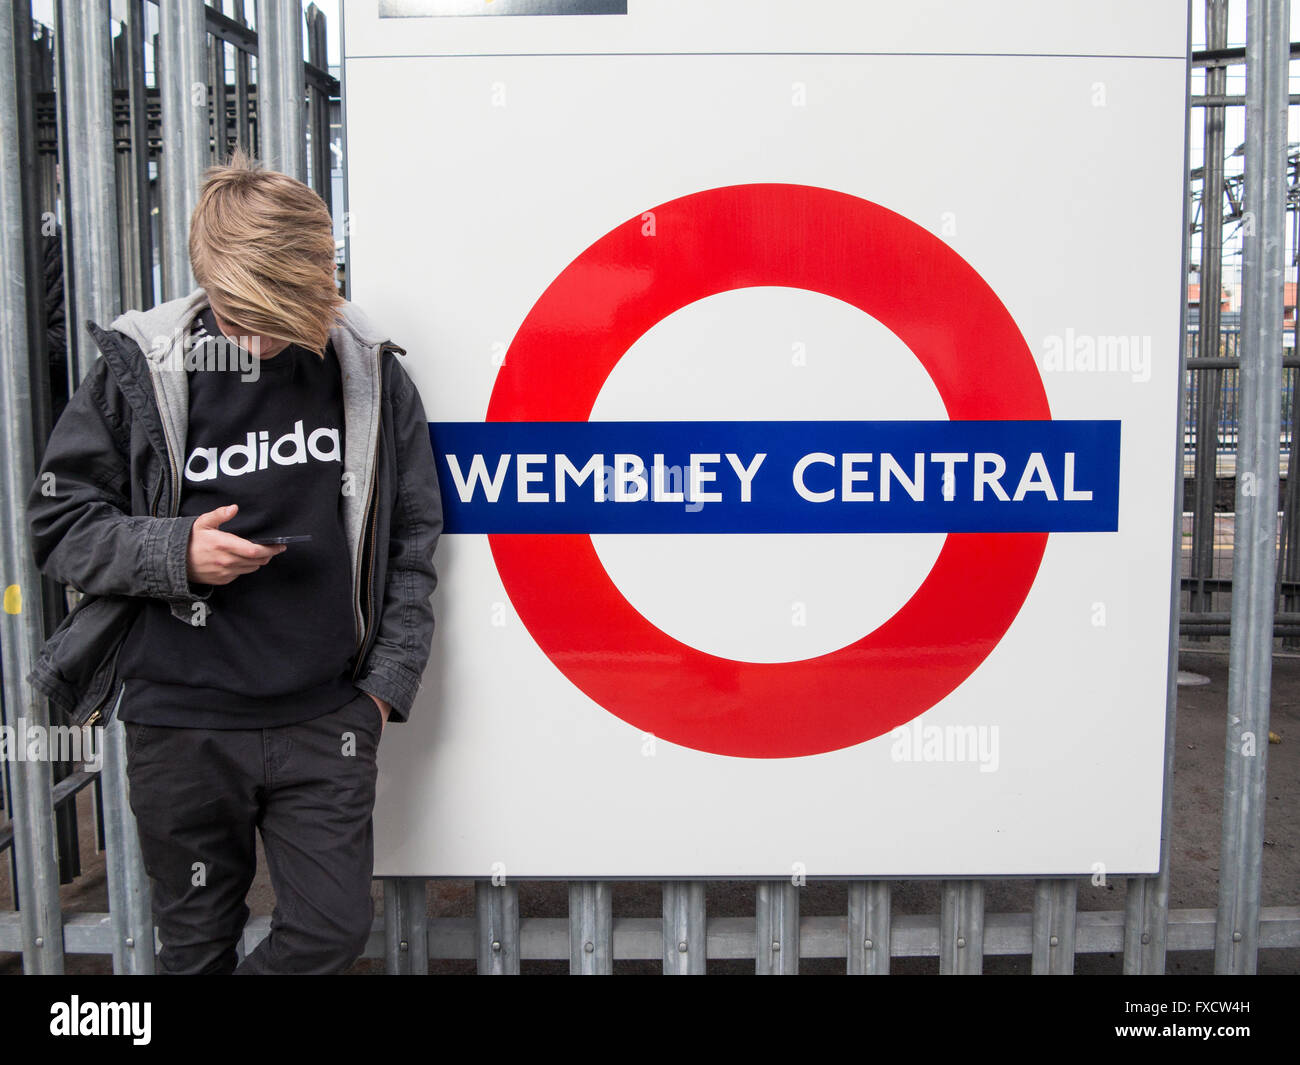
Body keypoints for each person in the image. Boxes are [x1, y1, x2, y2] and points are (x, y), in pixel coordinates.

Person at [25, 148, 443, 974]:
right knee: (194, 947)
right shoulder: (136, 370)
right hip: (181, 723)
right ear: (210, 281)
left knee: (329, 932)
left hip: (326, 720)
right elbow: (60, 523)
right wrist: (175, 551)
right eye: (239, 314)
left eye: (280, 316)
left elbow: (413, 541)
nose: (257, 339)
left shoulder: (369, 372)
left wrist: (381, 693)